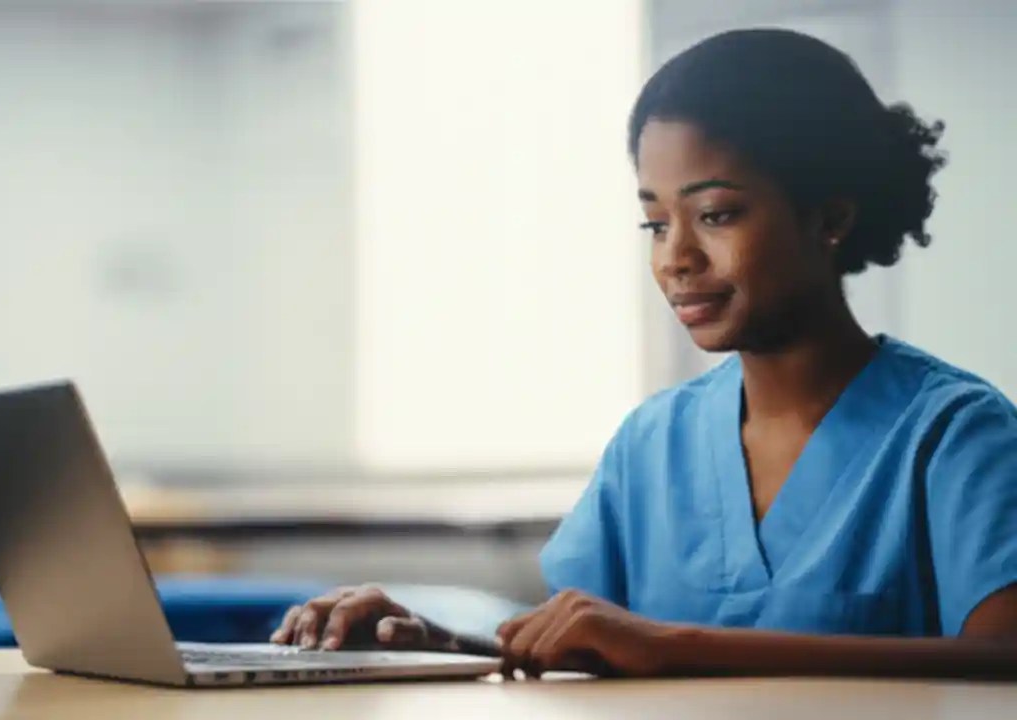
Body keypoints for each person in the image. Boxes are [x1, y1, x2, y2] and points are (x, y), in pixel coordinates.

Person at [270, 28, 1017, 678]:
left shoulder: (954, 433)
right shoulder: (652, 445)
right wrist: (427, 640)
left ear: (831, 217)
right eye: (656, 224)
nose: (675, 258)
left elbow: (1003, 657)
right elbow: (587, 647)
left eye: (715, 214)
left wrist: (678, 645)